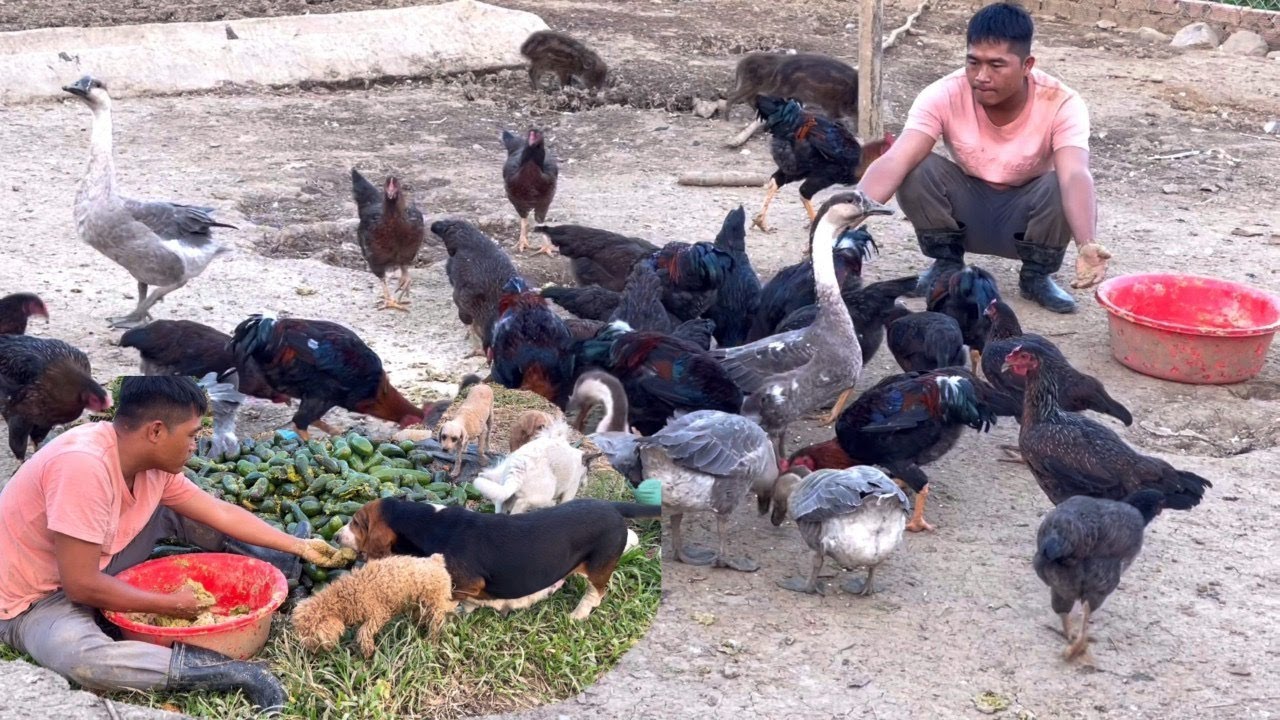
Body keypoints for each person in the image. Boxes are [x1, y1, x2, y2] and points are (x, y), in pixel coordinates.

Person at [0, 376, 348, 714]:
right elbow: (80, 585)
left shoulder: (150, 465)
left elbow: (219, 512)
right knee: (79, 657)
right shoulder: (82, 465)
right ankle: (229, 673)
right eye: (192, 435)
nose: (195, 445)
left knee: (185, 511)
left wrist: (298, 545)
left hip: (99, 561)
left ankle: (284, 571)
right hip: (35, 600)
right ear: (155, 431)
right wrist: (170, 604)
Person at [856, 1, 1112, 314]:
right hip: (967, 209)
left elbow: (1075, 175)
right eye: (973, 62)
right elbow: (895, 159)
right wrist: (843, 220)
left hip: (1027, 217)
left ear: (1027, 65)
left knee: (1062, 182)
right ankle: (947, 263)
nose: (981, 76)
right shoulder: (943, 93)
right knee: (914, 167)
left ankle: (1036, 276)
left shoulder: (1062, 102)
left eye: (996, 65)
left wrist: (1086, 243)